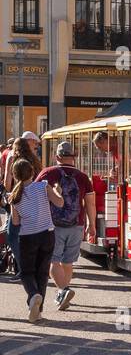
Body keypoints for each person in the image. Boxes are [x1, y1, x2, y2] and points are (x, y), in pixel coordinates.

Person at [36, 140, 96, 312]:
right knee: (68, 262)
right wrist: (92, 225)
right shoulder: (83, 177)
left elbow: (36, 197)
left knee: (53, 260)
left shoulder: (47, 173)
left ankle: (63, 290)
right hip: (76, 224)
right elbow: (90, 204)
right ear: (74, 157)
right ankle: (63, 295)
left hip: (52, 225)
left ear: (57, 157)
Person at [9, 159, 63, 321]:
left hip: (27, 237)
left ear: (14, 175)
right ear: (32, 172)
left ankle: (33, 296)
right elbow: (59, 203)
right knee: (42, 273)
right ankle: (38, 311)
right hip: (47, 234)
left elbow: (15, 222)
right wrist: (57, 190)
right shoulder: (43, 186)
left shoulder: (14, 196)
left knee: (27, 272)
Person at [2, 135, 41, 269]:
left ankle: (23, 266)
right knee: (30, 232)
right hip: (34, 197)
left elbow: (7, 182)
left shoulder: (12, 158)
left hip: (17, 197)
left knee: (12, 234)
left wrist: (8, 192)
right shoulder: (35, 159)